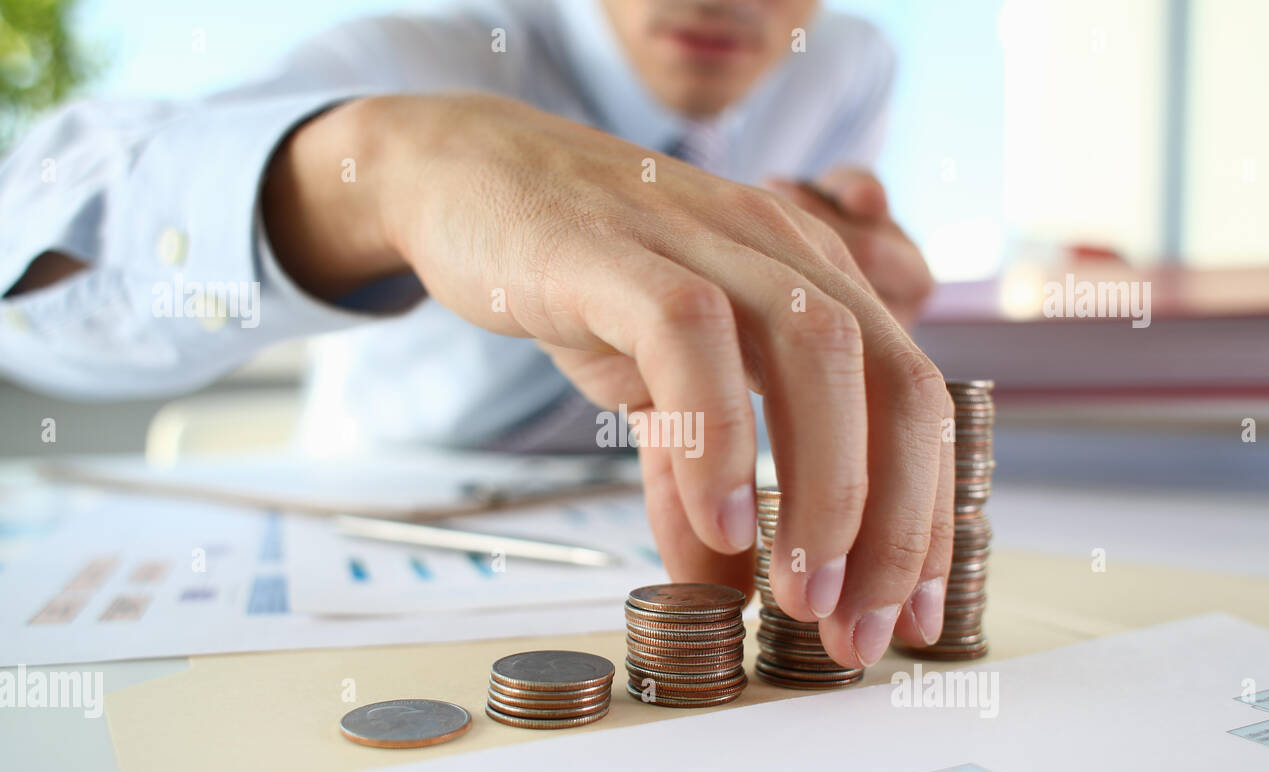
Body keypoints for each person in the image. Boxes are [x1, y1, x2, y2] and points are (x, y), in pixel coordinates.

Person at [0, 0, 950, 670]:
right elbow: (25, 275)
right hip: (390, 541)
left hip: (666, 529)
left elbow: (817, 312)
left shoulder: (850, 66)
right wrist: (385, 167)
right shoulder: (419, 52)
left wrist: (842, 276)